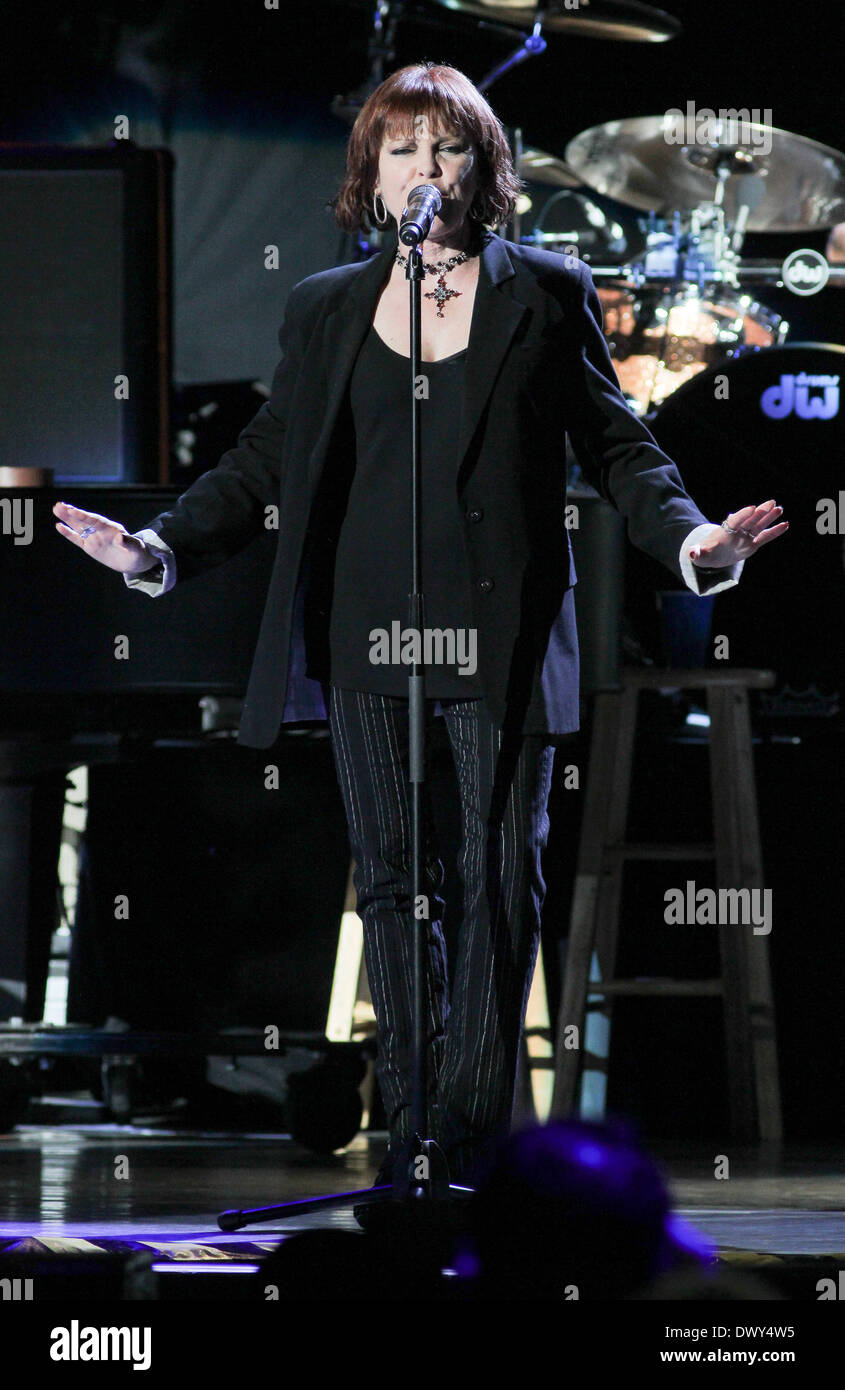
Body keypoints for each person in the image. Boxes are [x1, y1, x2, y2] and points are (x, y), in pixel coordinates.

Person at [52, 62, 787, 1189]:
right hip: (365, 640)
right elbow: (262, 458)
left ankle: (476, 1139)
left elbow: (617, 445)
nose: (423, 171)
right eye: (401, 150)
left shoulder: (542, 290)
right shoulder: (329, 305)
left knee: (495, 881)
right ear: (372, 173)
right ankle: (411, 1139)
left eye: (445, 149)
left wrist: (693, 545)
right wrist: (157, 551)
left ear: (480, 170)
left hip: (499, 635)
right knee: (396, 883)